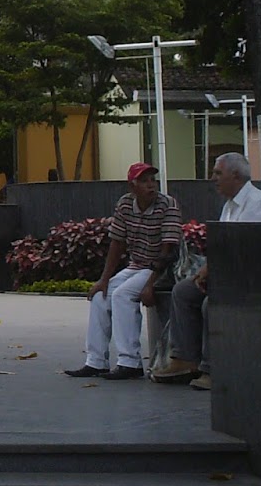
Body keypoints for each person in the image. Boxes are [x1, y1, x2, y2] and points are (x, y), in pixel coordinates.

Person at [153, 151, 261, 390]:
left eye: (218, 173)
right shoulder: (230, 206)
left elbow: (245, 250)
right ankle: (185, 359)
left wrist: (210, 272)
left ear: (236, 175)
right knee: (183, 291)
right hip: (228, 275)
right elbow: (221, 246)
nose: (213, 178)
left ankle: (214, 369)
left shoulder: (258, 204)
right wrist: (205, 272)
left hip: (252, 279)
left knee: (211, 303)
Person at [65, 162, 183, 380]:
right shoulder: (125, 204)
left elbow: (168, 251)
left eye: (153, 180)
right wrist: (103, 280)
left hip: (163, 268)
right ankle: (96, 361)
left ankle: (130, 361)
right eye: (145, 181)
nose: (151, 185)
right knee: (101, 296)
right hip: (136, 266)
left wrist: (150, 285)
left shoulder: (168, 205)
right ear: (133, 186)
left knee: (122, 295)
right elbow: (117, 243)